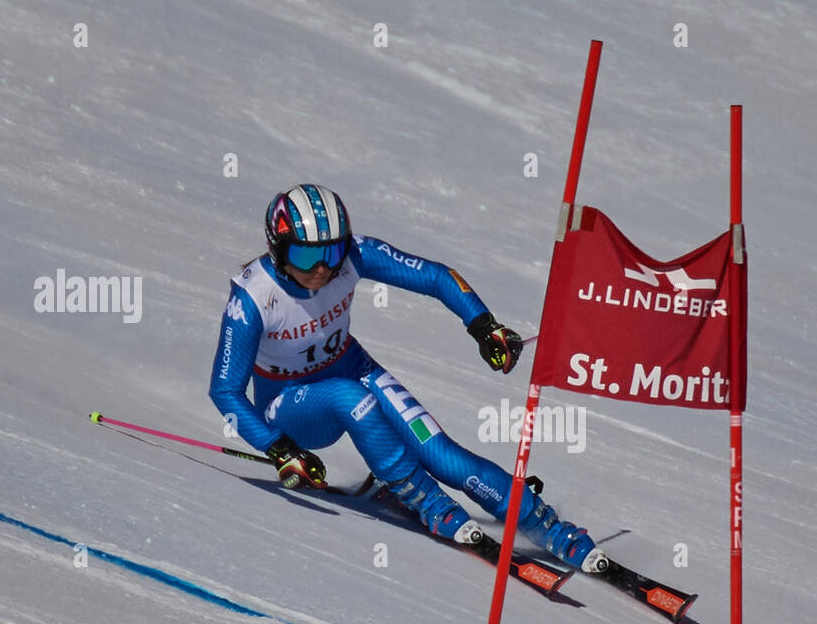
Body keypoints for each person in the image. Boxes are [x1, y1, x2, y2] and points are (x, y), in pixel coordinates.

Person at [208, 183, 606, 572]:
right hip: (289, 407)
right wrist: (279, 449)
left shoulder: (354, 255)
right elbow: (225, 391)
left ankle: (548, 525)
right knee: (349, 398)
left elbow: (436, 276)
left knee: (444, 456)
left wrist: (484, 325)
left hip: (352, 367)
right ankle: (429, 503)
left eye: (331, 251)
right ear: (278, 250)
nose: (323, 268)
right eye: (305, 256)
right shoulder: (253, 298)